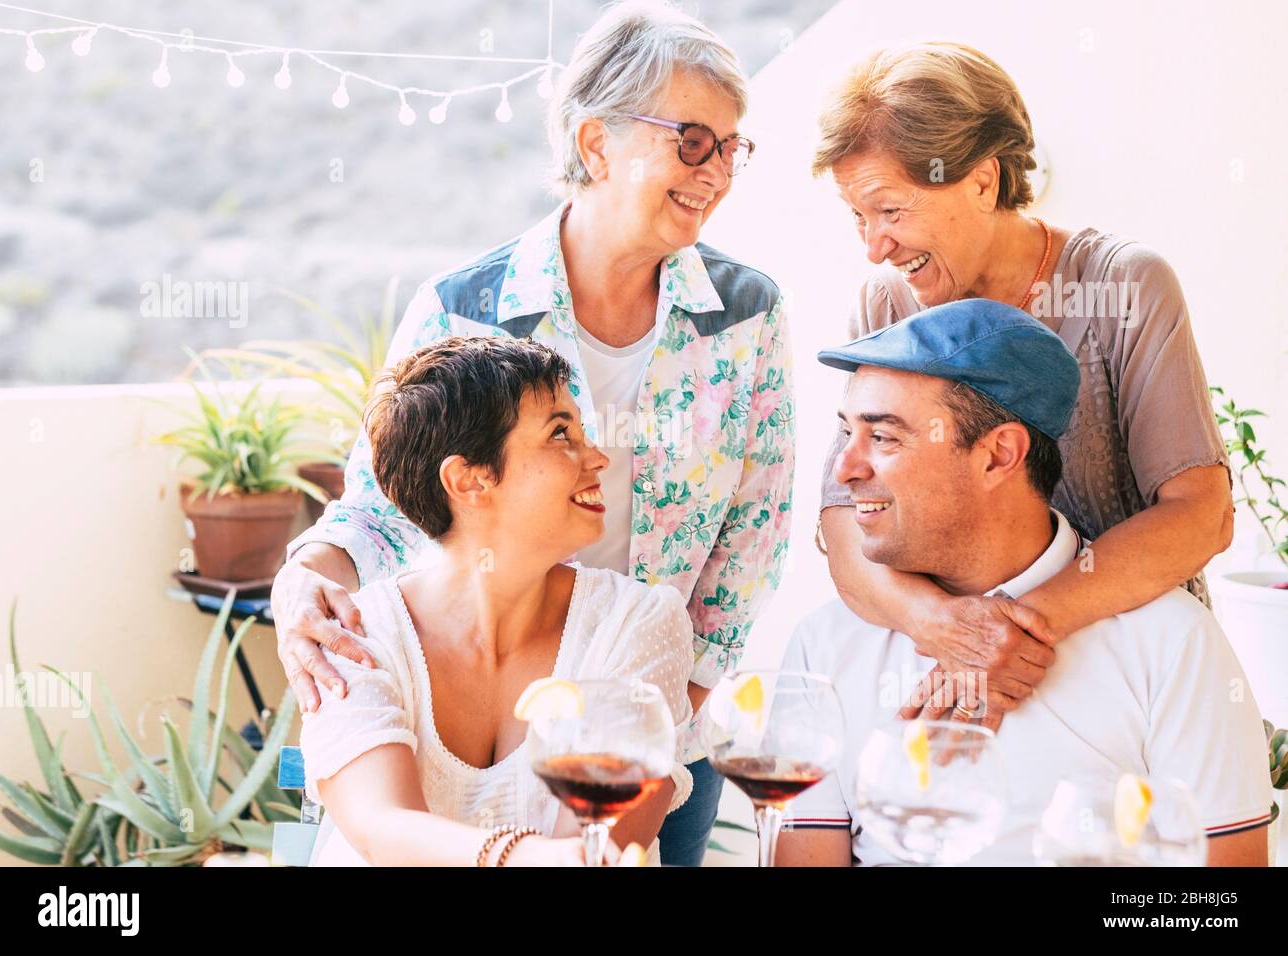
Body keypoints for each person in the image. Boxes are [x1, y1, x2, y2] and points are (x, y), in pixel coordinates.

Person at [273, 1, 795, 866]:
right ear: (597, 144)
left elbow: (757, 526)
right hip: (465, 683)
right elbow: (380, 506)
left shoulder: (747, 315)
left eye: (733, 147)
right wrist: (305, 580)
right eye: (695, 141)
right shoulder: (463, 307)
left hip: (647, 722)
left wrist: (668, 704)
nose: (719, 171)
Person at [812, 42, 1234, 733]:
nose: (874, 247)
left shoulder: (1122, 284)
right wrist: (948, 629)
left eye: (890, 210)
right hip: (958, 678)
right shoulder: (884, 307)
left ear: (982, 181)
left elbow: (1201, 513)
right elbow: (842, 519)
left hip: (1134, 670)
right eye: (857, 216)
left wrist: (1013, 633)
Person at [775, 300, 1270, 867]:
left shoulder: (1172, 643)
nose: (843, 470)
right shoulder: (825, 643)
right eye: (847, 433)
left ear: (998, 455)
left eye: (884, 438)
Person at [300, 336, 694, 866]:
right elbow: (381, 826)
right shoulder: (356, 632)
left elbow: (601, 849)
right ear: (469, 480)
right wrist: (526, 856)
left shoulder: (638, 623)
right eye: (561, 435)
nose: (598, 458)